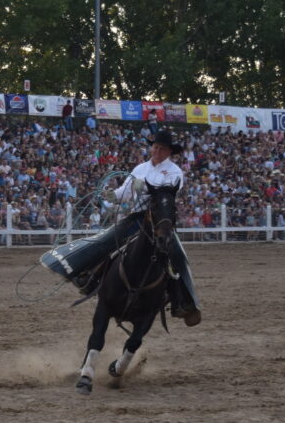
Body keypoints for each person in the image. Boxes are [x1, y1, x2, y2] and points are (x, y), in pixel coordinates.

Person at [40, 129, 200, 327]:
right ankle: (84, 275)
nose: (156, 151)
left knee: (178, 256)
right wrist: (113, 196)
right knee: (105, 239)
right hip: (137, 218)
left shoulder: (174, 171)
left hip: (159, 220)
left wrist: (148, 190)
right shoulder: (140, 168)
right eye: (155, 147)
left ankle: (183, 302)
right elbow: (125, 192)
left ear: (168, 152)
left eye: (161, 148)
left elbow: (168, 191)